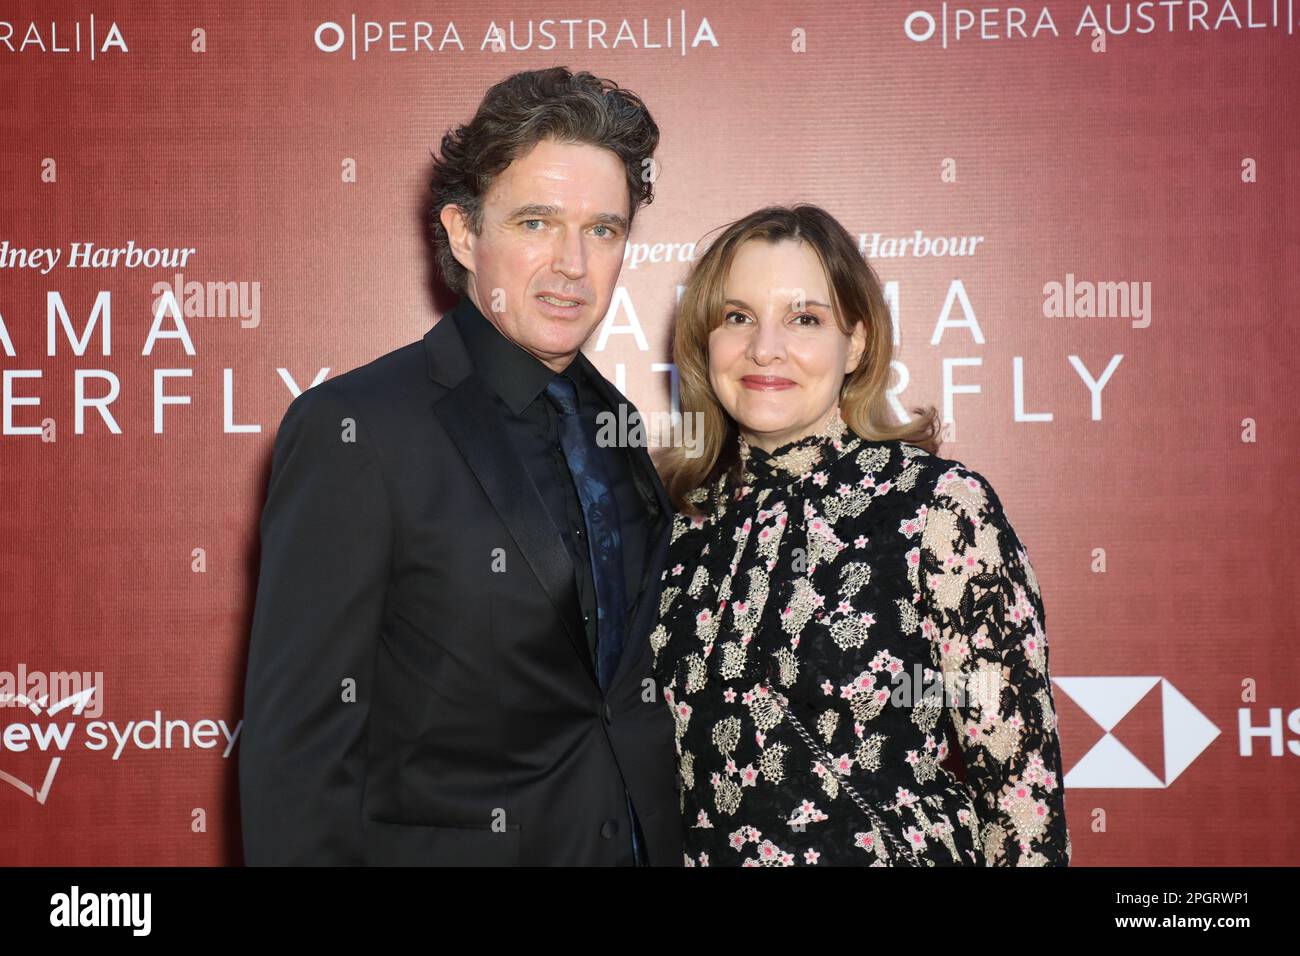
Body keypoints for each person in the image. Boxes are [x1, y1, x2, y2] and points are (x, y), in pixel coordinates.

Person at [239, 67, 683, 866]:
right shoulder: (357, 430)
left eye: (604, 230)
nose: (573, 265)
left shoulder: (618, 428)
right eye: (537, 223)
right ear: (464, 233)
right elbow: (297, 755)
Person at [652, 204, 1071, 866]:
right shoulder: (671, 528)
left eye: (805, 319)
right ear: (706, 340)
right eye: (737, 318)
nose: (765, 348)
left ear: (859, 341)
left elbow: (1021, 800)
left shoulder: (938, 508)